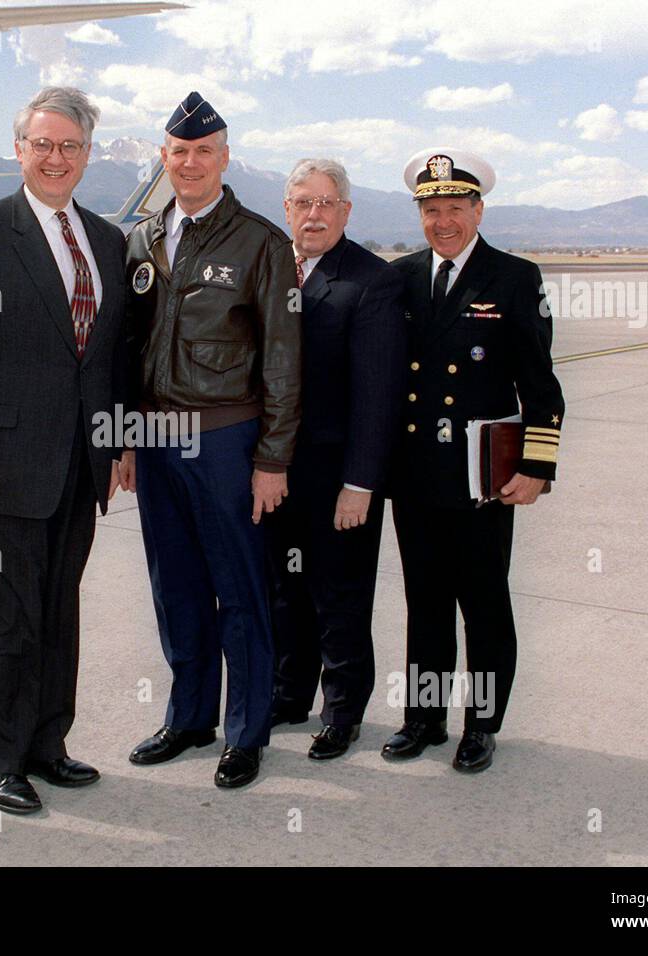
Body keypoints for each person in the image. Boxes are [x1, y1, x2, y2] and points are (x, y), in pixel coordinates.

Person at [0, 87, 127, 815]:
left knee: (57, 611)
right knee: (5, 619)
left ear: (87, 155)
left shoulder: (106, 241)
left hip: (79, 467)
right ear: (19, 150)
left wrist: (118, 442)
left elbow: (106, 360)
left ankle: (47, 744)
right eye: (42, 144)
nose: (56, 158)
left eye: (70, 146)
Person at [121, 92, 301, 789]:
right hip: (157, 442)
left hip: (227, 442)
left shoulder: (258, 242)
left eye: (203, 152)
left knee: (241, 589)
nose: (190, 163)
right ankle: (189, 716)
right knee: (177, 589)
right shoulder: (139, 240)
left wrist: (273, 458)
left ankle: (246, 731)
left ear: (223, 158)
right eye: (178, 152)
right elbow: (129, 350)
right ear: (164, 159)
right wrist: (130, 439)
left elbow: (284, 360)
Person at [382, 148, 564, 773]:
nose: (443, 221)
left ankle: (480, 726)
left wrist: (536, 467)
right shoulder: (400, 277)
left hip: (480, 478)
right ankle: (425, 719)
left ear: (478, 209)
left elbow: (540, 385)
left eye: (455, 208)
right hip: (414, 477)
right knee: (424, 600)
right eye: (431, 209)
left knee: (483, 602)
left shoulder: (513, 278)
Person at [264, 159, 405, 760]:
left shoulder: (372, 281)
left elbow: (379, 395)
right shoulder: (271, 269)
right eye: (303, 202)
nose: (314, 214)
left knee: (340, 595)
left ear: (346, 212)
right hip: (273, 471)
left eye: (326, 203)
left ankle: (342, 709)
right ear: (287, 210)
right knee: (284, 589)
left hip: (336, 476)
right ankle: (289, 693)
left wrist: (361, 483)